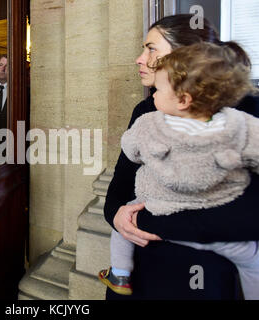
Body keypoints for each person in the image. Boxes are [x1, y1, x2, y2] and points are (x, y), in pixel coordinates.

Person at [104, 14, 259, 299]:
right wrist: (117, 217)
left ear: (189, 55)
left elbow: (250, 215)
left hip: (210, 278)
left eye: (151, 49)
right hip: (144, 272)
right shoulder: (146, 110)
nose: (139, 59)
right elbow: (118, 192)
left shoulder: (246, 110)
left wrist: (148, 221)